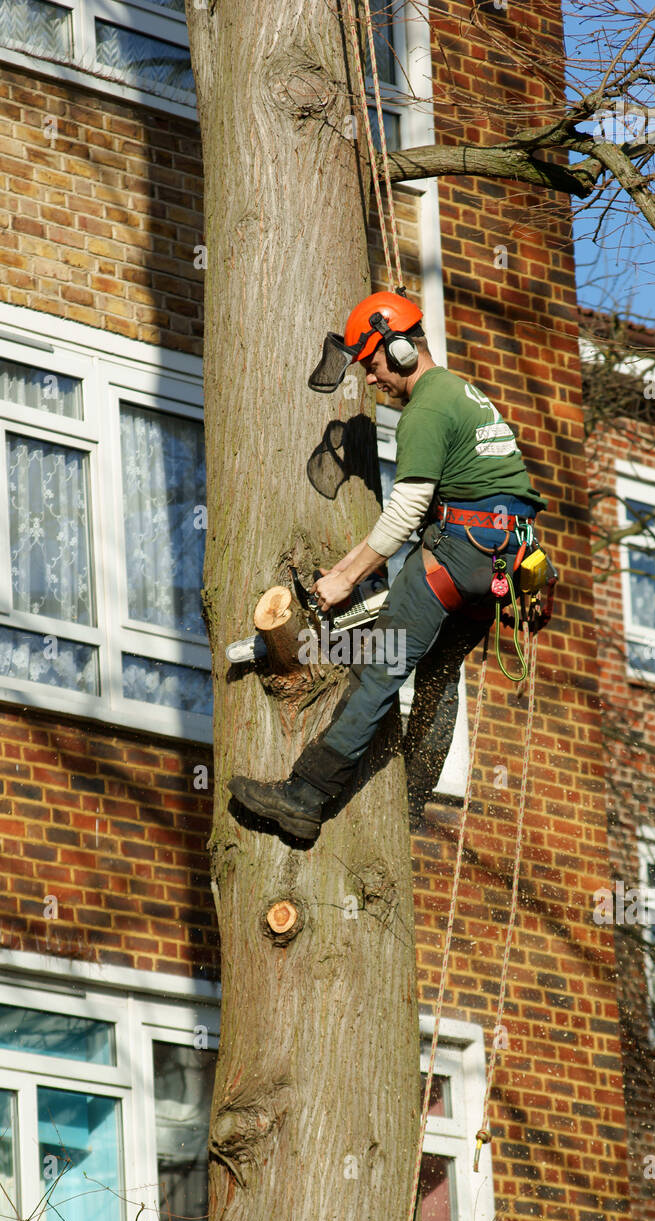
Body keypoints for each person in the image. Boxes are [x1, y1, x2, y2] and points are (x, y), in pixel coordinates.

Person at [228, 291, 546, 839]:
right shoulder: (464, 395)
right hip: (505, 561)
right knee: (439, 680)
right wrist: (347, 570)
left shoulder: (426, 408)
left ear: (399, 350)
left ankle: (304, 797)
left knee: (380, 665)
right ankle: (411, 809)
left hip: (462, 551)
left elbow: (405, 511)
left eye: (372, 364)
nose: (371, 380)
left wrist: (346, 577)